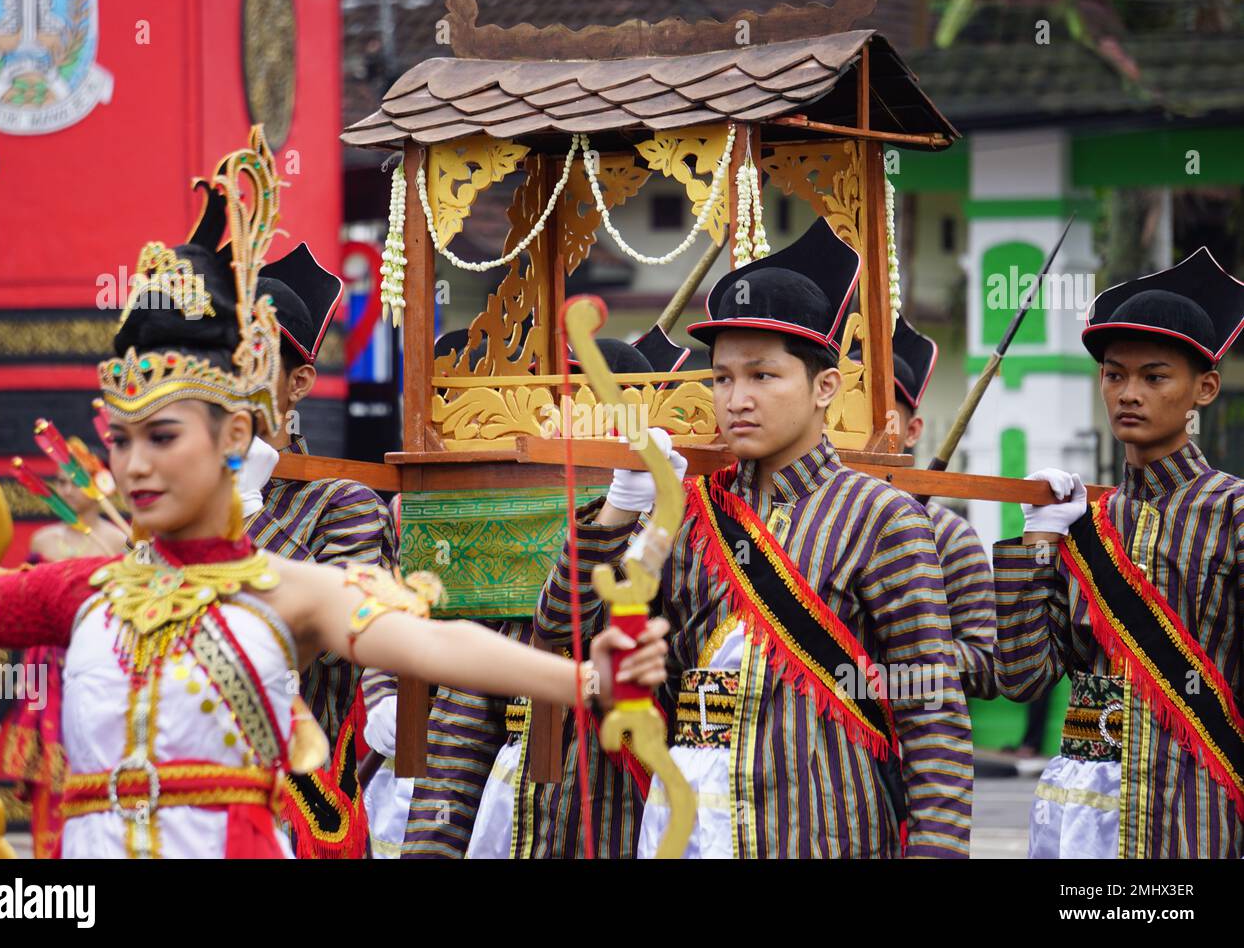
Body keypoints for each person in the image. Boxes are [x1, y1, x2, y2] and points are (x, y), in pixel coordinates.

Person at [0, 128, 668, 859]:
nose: (136, 466)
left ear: (235, 435)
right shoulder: (86, 591)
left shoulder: (284, 590)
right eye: (122, 440)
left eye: (163, 438)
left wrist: (585, 676)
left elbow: (434, 643)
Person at [537, 219, 973, 858]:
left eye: (763, 376)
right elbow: (561, 634)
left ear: (825, 386)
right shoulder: (683, 514)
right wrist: (617, 516)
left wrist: (937, 849)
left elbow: (930, 705)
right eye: (722, 377)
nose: (736, 398)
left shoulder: (882, 518)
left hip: (823, 829)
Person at [994, 248, 1244, 858]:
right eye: (1114, 374)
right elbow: (1024, 678)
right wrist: (1038, 542)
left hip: (1196, 814)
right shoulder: (1081, 526)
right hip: (1080, 818)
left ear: (1203, 389)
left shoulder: (1234, 515)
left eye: (1154, 376)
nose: (1128, 393)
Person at [399, 339, 660, 860]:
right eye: (546, 410)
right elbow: (460, 744)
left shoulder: (672, 526)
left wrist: (624, 510)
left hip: (624, 805)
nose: (556, 428)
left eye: (578, 414)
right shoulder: (496, 545)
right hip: (513, 811)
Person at [235, 240, 398, 858]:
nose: (232, 387)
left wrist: (247, 515)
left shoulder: (343, 501)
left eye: (254, 367)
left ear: (298, 381)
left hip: (298, 807)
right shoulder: (177, 502)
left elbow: (335, 649)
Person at [0, 463, 127, 858]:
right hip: (48, 667)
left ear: (97, 487)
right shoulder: (44, 537)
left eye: (75, 482)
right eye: (61, 483)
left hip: (99, 662)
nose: (66, 490)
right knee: (49, 777)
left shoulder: (118, 540)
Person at [864, 317, 997, 700]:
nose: (863, 424)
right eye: (849, 405)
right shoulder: (795, 515)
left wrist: (897, 659)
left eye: (882, 412)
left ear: (913, 430)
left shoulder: (952, 537)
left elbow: (986, 666)